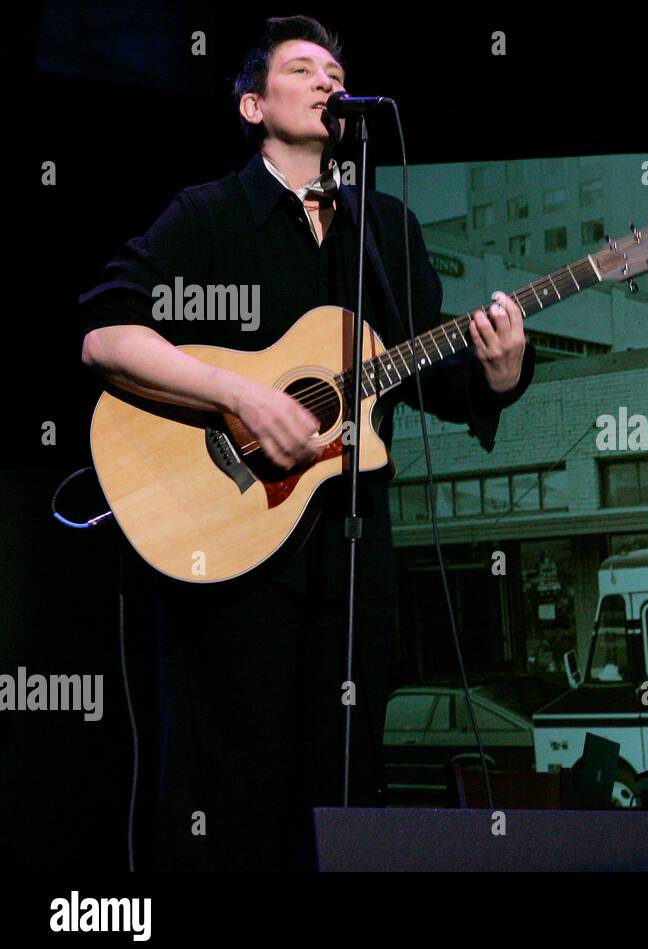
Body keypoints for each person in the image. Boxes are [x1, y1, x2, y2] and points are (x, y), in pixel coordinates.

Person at [78, 15, 535, 870]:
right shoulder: (208, 216)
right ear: (253, 104)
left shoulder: (385, 228)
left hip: (354, 567)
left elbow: (436, 373)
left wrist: (501, 369)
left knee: (346, 797)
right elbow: (105, 336)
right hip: (229, 556)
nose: (328, 79)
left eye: (336, 69)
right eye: (302, 68)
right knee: (230, 796)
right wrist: (243, 394)